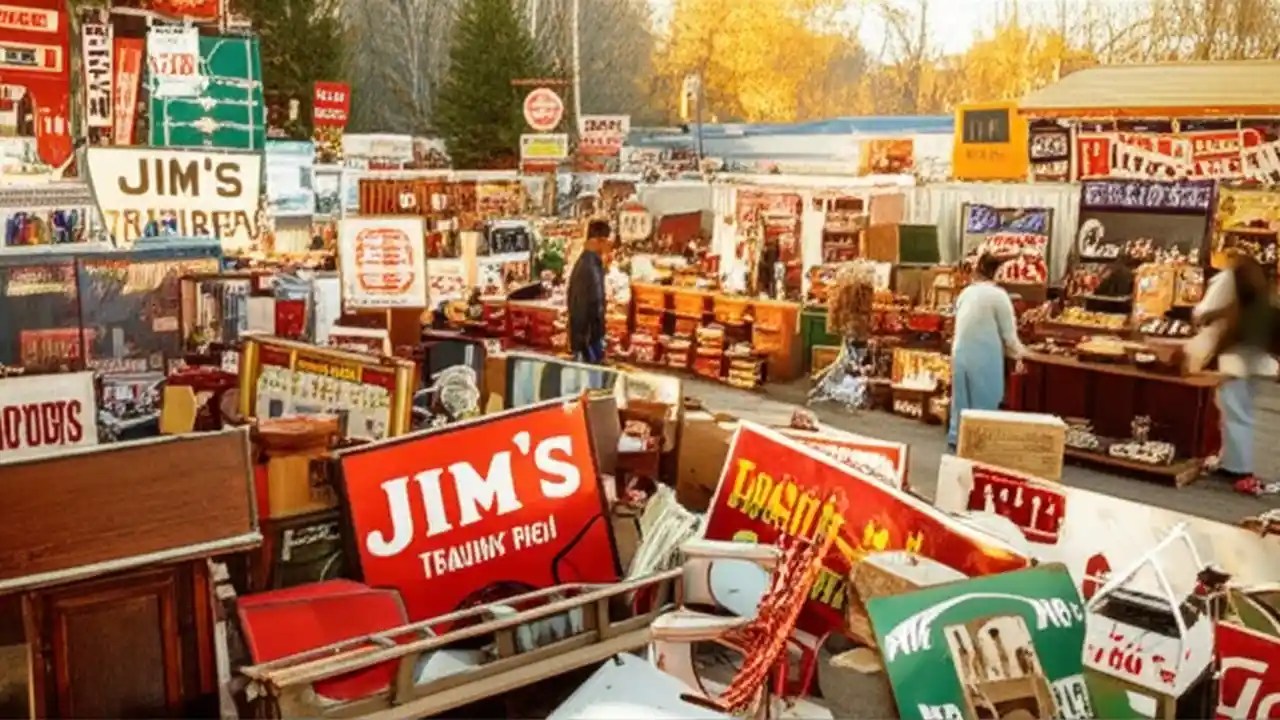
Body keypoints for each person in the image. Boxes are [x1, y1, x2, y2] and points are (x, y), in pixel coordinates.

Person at [1193, 252, 1277, 494]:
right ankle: (1235, 462)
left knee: (1235, 414)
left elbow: (1229, 333)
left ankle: (1238, 467)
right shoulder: (1264, 301)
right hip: (1259, 363)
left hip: (1237, 364)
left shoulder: (1241, 306)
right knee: (1242, 414)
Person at [948, 254, 1027, 449]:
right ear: (998, 272)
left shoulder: (966, 293)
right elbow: (1009, 337)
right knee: (985, 399)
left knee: (961, 399)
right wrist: (1024, 355)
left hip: (960, 352)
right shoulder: (999, 296)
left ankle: (956, 437)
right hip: (984, 357)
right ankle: (979, 444)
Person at [567, 219, 610, 364]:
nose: (608, 248)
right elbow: (594, 306)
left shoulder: (585, 262)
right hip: (589, 340)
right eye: (606, 243)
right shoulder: (590, 267)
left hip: (583, 338)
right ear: (600, 240)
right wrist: (593, 344)